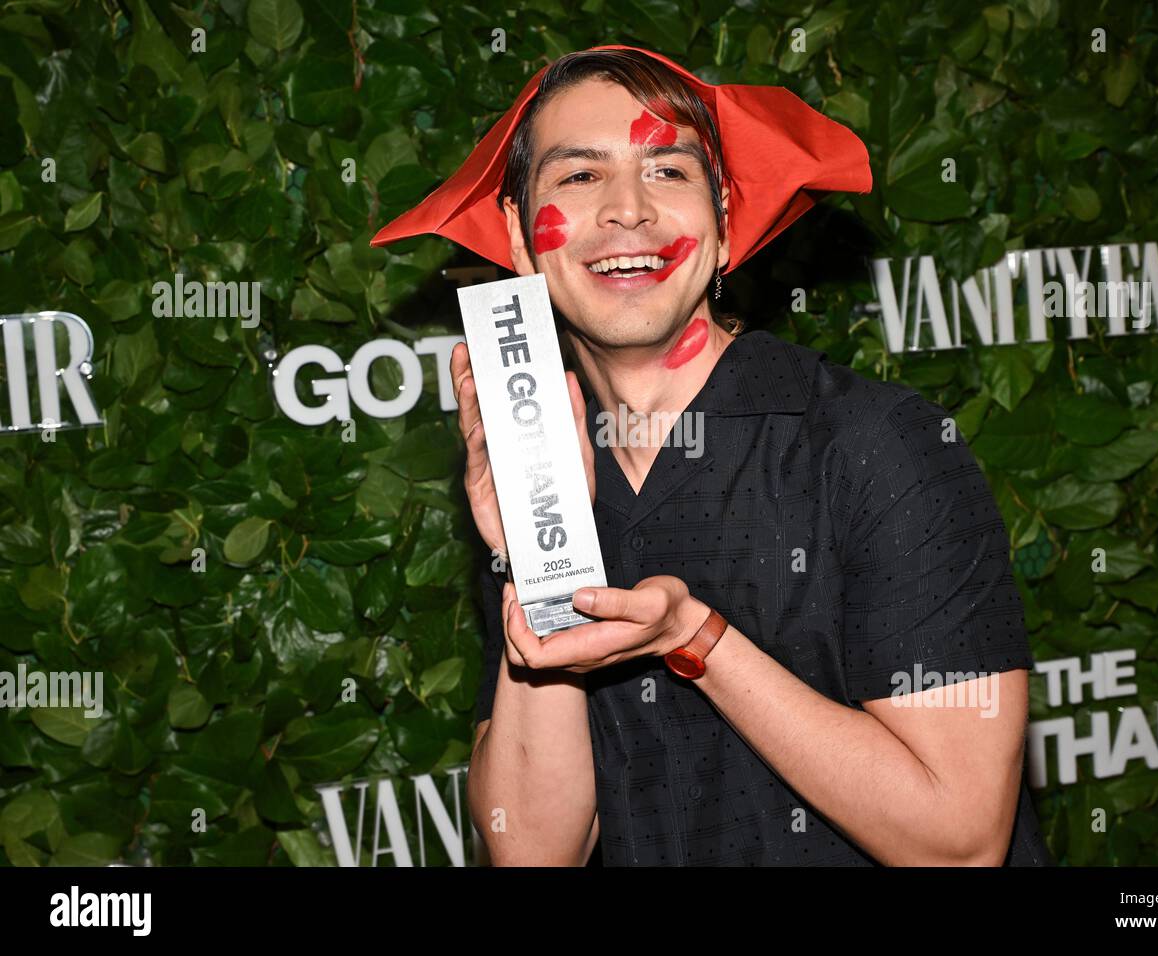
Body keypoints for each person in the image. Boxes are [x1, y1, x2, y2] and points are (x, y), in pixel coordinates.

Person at [372, 45, 1053, 866]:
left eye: (667, 171)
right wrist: (531, 558)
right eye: (580, 177)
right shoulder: (534, 467)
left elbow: (960, 840)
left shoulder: (879, 443)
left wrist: (695, 639)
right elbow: (535, 849)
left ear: (726, 223)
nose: (627, 209)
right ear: (519, 235)